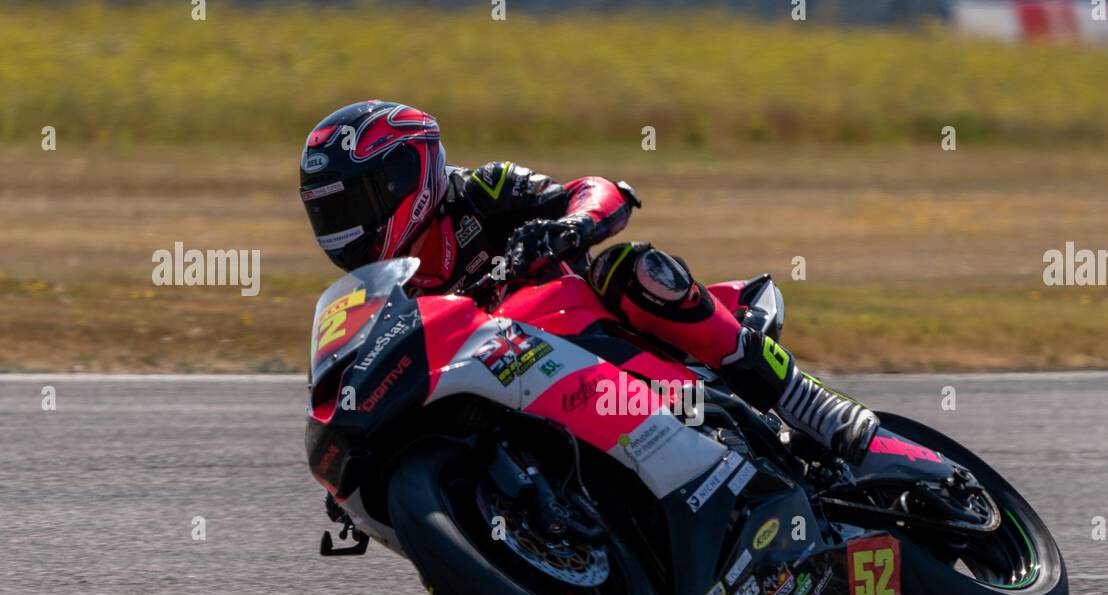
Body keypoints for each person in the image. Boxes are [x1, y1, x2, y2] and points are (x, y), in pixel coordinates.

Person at [299, 99, 877, 461]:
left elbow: (594, 189)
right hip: (525, 391)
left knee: (628, 268)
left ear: (406, 174)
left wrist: (571, 227)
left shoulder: (482, 190)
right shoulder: (393, 297)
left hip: (595, 332)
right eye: (329, 213)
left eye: (356, 202)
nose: (346, 226)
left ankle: (806, 402)